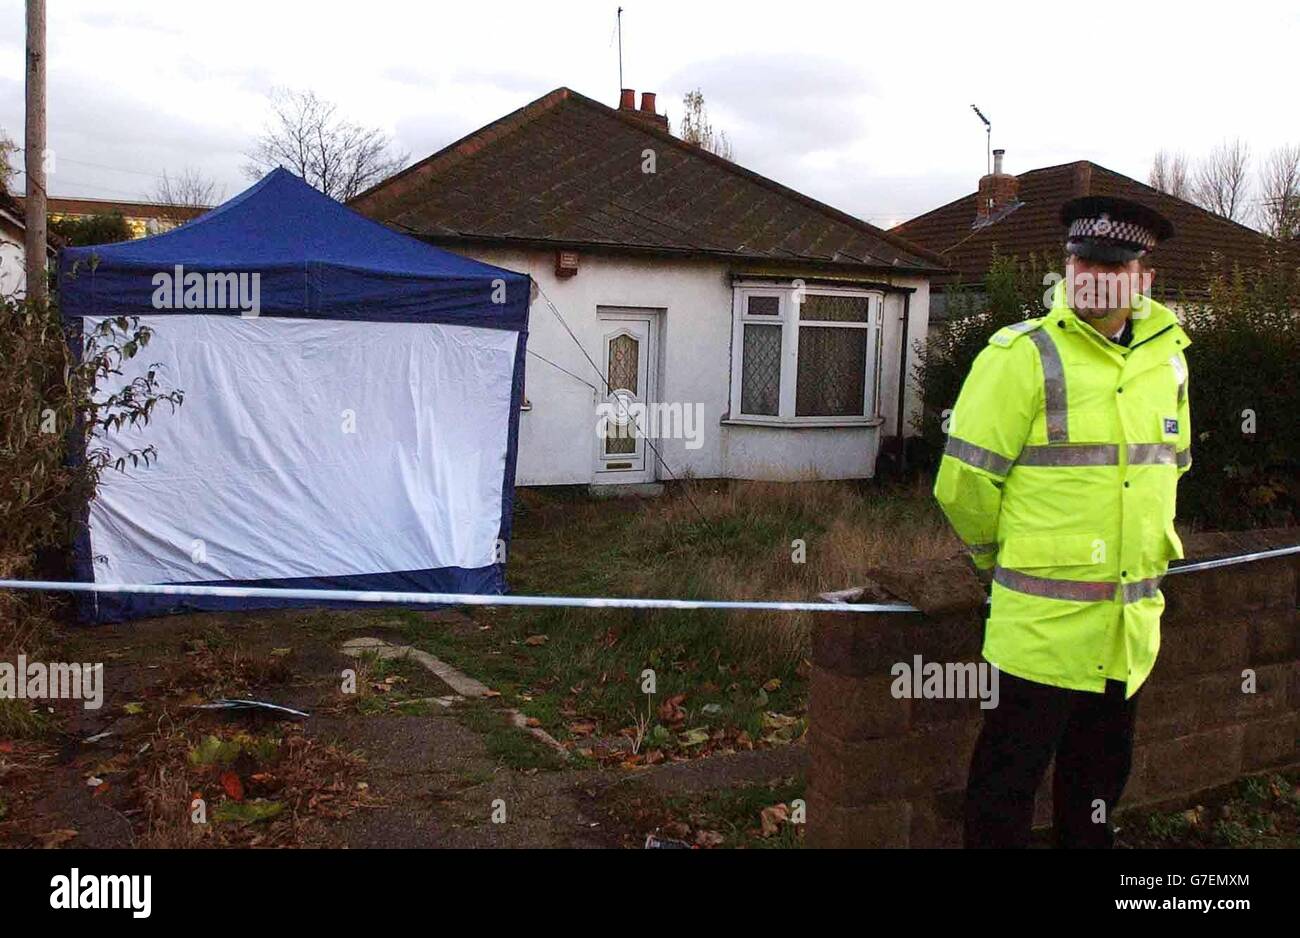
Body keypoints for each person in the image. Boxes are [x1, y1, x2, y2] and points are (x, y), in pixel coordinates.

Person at [933, 195, 1191, 848]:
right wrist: (1000, 564)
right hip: (1040, 632)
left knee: (1097, 791)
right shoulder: (1020, 355)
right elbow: (963, 484)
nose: (1092, 277)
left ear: (1143, 279)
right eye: (1081, 262)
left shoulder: (1169, 362)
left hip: (1124, 631)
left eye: (1112, 265)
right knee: (1005, 789)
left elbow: (1170, 471)